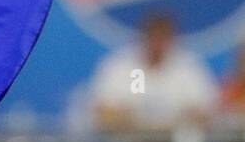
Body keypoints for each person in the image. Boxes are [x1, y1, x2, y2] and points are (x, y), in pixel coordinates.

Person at [89, 13, 217, 132]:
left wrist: (174, 121)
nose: (158, 43)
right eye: (154, 36)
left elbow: (208, 112)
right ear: (143, 37)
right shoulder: (121, 65)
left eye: (163, 37)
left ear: (173, 38)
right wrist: (132, 119)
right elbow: (102, 111)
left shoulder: (188, 67)